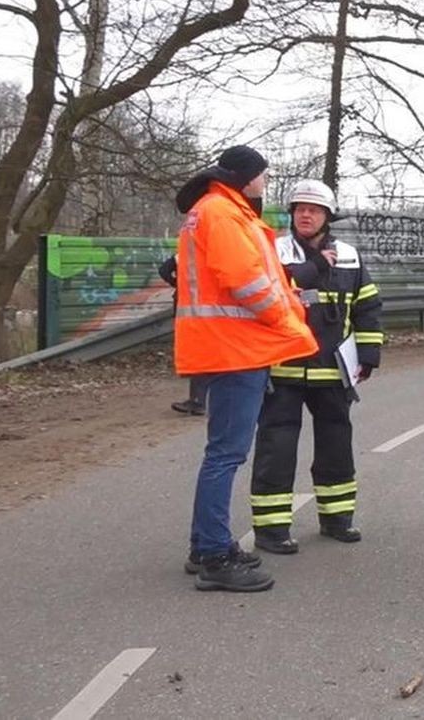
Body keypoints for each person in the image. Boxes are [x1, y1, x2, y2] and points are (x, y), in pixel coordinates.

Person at [175, 145, 317, 592]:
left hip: (230, 347)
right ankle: (215, 555)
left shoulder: (220, 210)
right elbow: (248, 280)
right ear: (244, 177)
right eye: (263, 174)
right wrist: (285, 319)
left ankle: (207, 546)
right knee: (226, 454)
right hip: (237, 349)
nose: (266, 181)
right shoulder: (222, 213)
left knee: (222, 452)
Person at [248, 180, 383, 554]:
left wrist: (369, 354)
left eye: (314, 209)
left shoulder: (350, 257)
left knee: (336, 445)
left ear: (328, 216)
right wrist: (308, 269)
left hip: (332, 370)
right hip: (283, 369)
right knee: (277, 447)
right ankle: (272, 528)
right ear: (291, 214)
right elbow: (263, 292)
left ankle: (337, 518)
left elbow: (367, 306)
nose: (306, 214)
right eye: (300, 209)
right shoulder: (273, 251)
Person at [159, 253, 209, 415]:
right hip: (209, 310)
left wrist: (178, 284)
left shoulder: (183, 255)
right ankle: (200, 400)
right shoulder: (217, 252)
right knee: (204, 357)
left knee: (199, 358)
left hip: (186, 309)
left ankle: (198, 401)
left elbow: (164, 270)